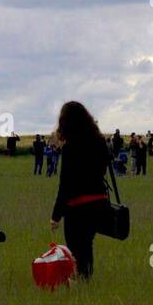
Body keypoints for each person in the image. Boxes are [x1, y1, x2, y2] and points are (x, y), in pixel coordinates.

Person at [50, 100, 111, 281]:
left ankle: (81, 282)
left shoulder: (70, 147)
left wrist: (56, 215)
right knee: (87, 245)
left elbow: (66, 184)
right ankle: (86, 281)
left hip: (77, 206)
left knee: (76, 249)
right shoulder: (100, 142)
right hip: (99, 202)